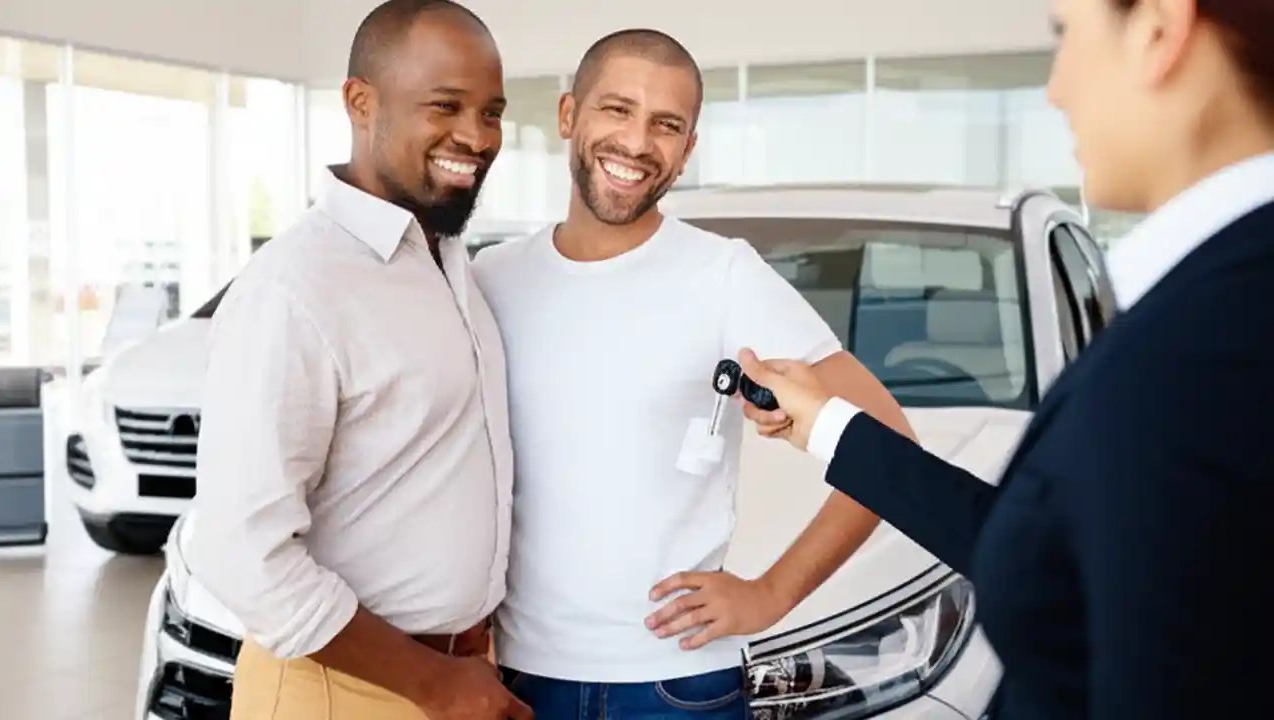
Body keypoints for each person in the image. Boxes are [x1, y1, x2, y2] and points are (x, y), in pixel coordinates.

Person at [731, 0, 1274, 717]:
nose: (1054, 89)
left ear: (1159, 30)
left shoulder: (1195, 353)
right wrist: (826, 423)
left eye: (1065, 36)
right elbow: (1052, 546)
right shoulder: (1219, 302)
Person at [470, 29, 914, 718]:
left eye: (666, 125)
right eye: (616, 109)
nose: (638, 142)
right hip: (517, 681)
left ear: (688, 149)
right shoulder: (491, 277)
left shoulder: (724, 276)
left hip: (677, 688)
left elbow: (889, 441)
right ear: (568, 116)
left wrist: (770, 593)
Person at [184, 2, 531, 718]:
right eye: (445, 106)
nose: (475, 136)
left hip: (462, 678)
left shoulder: (449, 262)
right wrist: (432, 682)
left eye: (491, 112)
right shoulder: (296, 286)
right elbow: (239, 551)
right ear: (360, 101)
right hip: (345, 691)